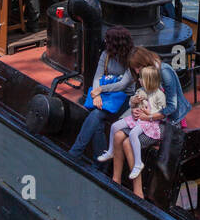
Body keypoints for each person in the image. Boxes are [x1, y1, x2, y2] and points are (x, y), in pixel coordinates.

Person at [68, 26, 135, 162]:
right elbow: (97, 77)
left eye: (108, 40)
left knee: (96, 114)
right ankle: (99, 162)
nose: (105, 42)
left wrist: (100, 90)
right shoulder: (106, 54)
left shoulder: (132, 58)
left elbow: (123, 85)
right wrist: (97, 95)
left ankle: (75, 153)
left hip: (124, 98)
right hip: (106, 96)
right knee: (97, 123)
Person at [100, 64, 166, 194]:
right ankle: (116, 179)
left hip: (156, 124)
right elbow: (134, 105)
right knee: (118, 135)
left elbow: (164, 113)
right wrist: (134, 108)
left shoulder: (160, 93)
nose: (138, 79)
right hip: (139, 120)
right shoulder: (142, 90)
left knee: (128, 142)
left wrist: (148, 114)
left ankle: (138, 191)